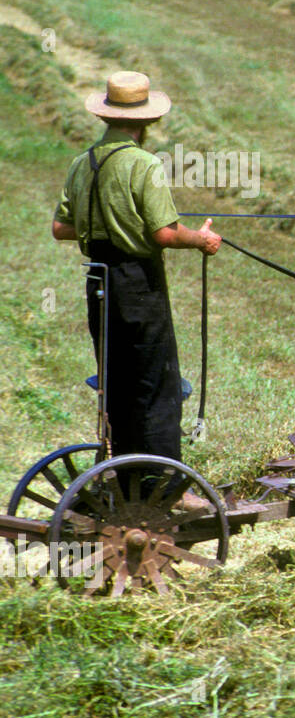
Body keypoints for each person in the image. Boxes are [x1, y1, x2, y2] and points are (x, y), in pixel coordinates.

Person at [51, 71, 221, 461]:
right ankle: (163, 483)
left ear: (106, 117)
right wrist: (200, 239)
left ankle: (119, 466)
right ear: (148, 121)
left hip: (99, 280)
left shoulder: (83, 162)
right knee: (158, 385)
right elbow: (164, 234)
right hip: (137, 285)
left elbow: (61, 228)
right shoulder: (144, 164)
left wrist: (106, 222)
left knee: (117, 380)